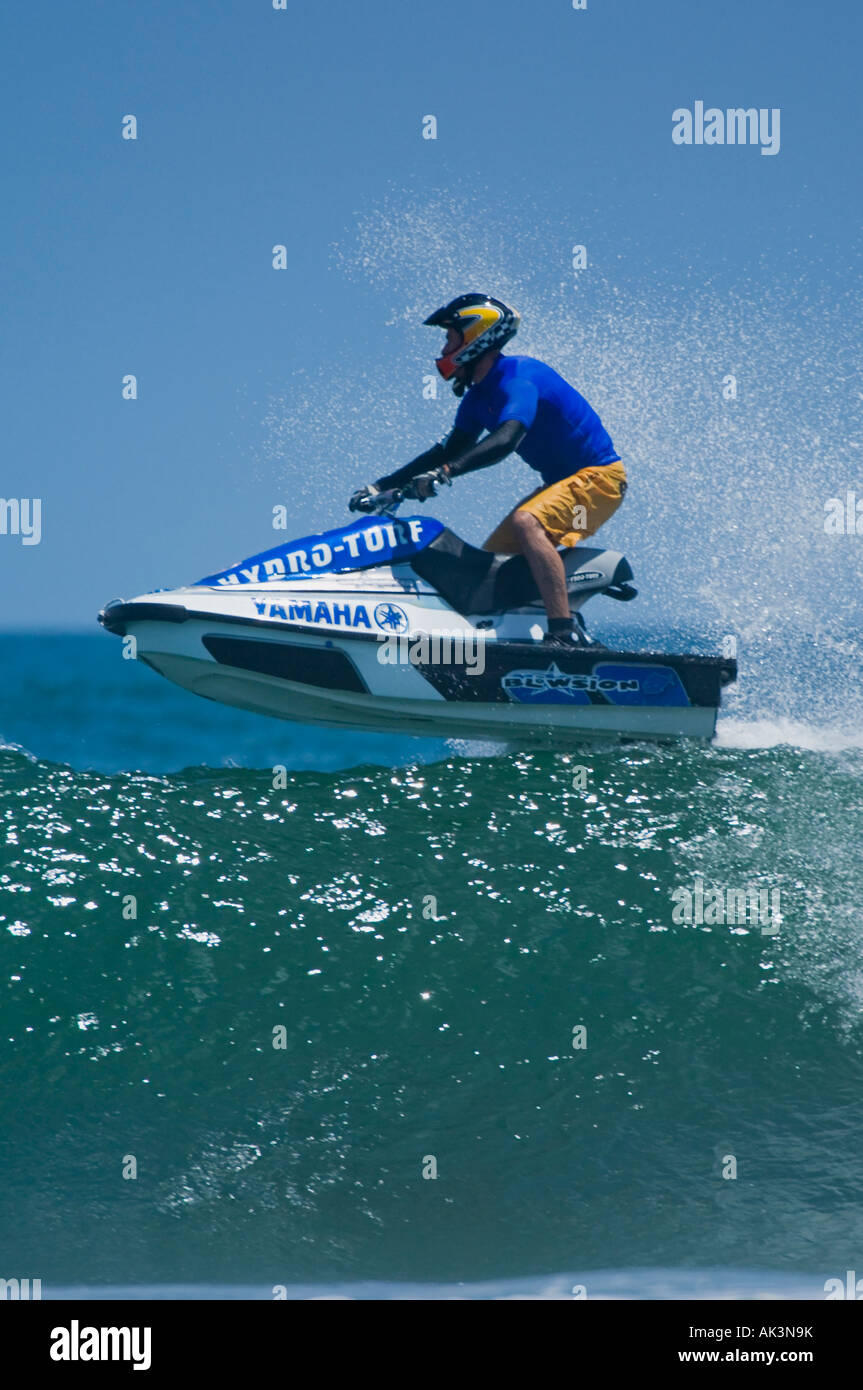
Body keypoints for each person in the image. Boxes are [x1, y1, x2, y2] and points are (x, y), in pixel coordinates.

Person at [349, 293, 627, 645]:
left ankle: (562, 632)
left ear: (476, 338)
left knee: (529, 523)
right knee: (490, 567)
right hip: (563, 483)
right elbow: (447, 450)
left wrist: (446, 472)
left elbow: (507, 438)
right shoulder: (477, 399)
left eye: (450, 338)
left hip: (601, 479)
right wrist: (381, 486)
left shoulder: (520, 375)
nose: (445, 349)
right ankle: (511, 639)